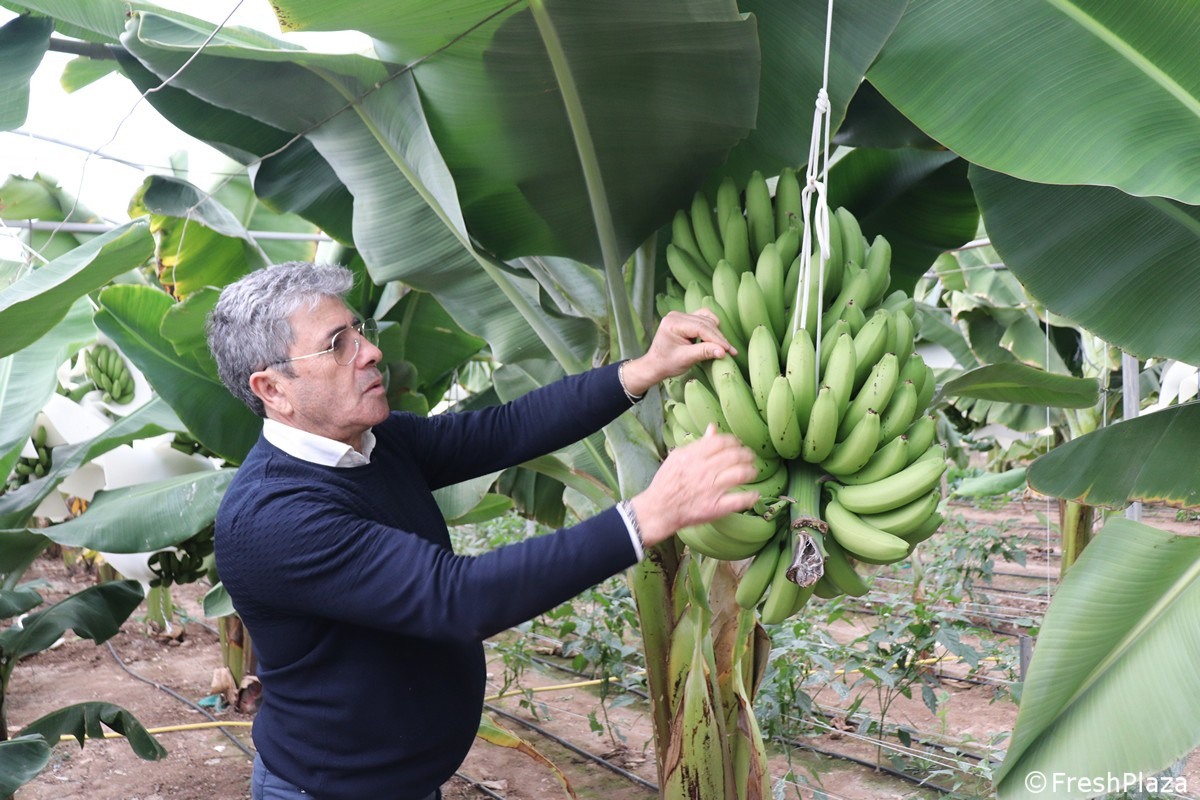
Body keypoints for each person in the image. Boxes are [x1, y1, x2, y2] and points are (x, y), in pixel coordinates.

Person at [207, 262, 759, 800]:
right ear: (273, 389)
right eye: (337, 344)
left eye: (359, 331)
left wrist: (644, 368)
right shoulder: (273, 517)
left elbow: (504, 430)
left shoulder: (375, 442)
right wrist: (649, 516)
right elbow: (458, 598)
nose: (370, 351)